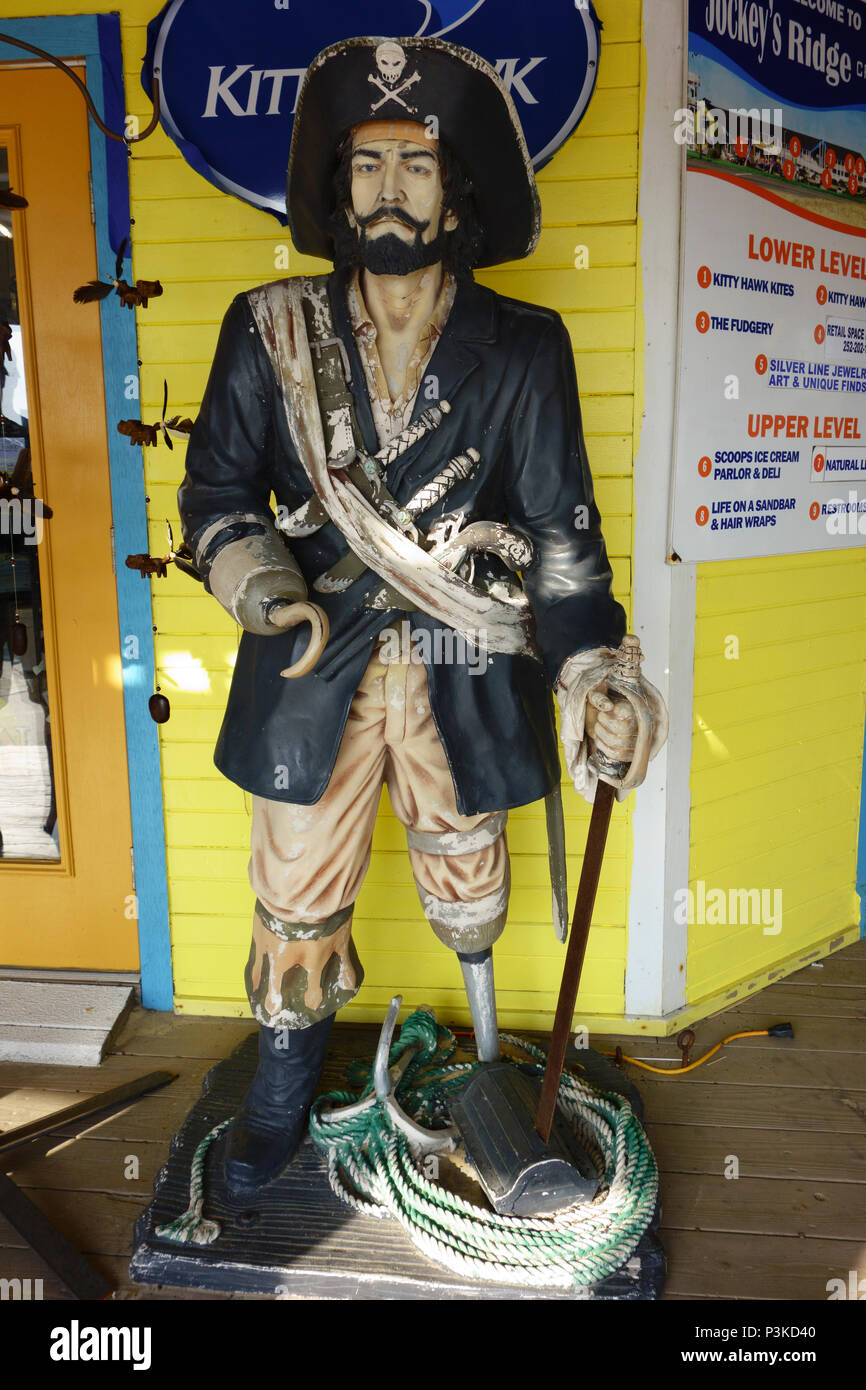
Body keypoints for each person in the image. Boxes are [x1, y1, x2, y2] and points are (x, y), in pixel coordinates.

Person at [177, 35, 667, 1195]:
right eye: (366, 164)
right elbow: (212, 494)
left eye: (415, 162)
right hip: (313, 668)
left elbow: (562, 545)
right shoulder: (266, 328)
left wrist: (596, 669)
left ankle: (498, 1088)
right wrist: (264, 585)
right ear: (336, 187)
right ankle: (278, 1108)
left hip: (466, 665)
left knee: (469, 881)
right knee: (294, 898)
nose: (388, 187)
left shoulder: (525, 347)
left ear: (456, 193)